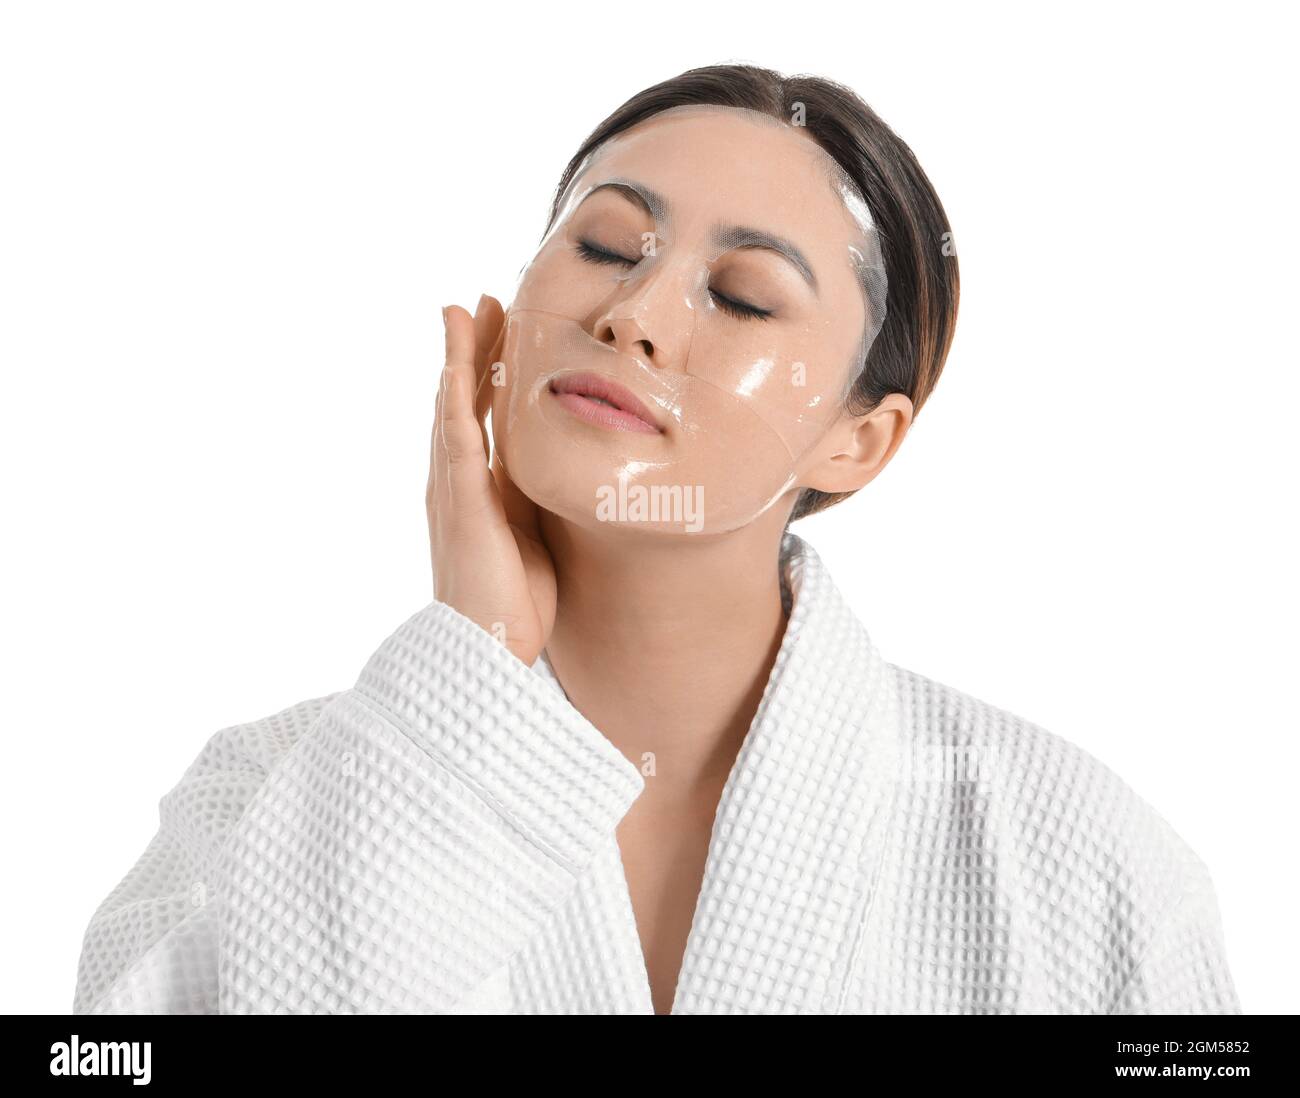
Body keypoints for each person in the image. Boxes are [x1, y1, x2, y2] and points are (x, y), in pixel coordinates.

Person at [72, 63, 1239, 1015]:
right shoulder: (259, 799)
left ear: (856, 441)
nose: (630, 316)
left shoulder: (1081, 868)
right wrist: (467, 679)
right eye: (603, 243)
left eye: (740, 296)